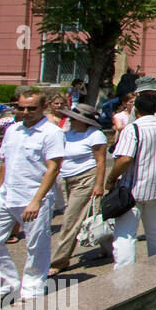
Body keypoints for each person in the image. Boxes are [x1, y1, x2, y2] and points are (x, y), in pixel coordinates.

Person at [0, 88, 65, 303]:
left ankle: (32, 290)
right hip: (6, 194)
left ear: (43, 108)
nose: (25, 112)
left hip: (34, 197)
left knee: (36, 246)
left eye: (31, 108)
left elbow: (53, 168)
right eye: (21, 107)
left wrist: (36, 201)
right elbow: (6, 162)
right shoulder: (13, 130)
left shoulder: (52, 133)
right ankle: (6, 286)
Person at [107, 90, 156, 268]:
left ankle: (124, 271)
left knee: (125, 234)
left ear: (136, 110)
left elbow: (125, 159)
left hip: (133, 189)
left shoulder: (133, 129)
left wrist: (111, 178)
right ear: (155, 109)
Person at [49, 103, 108, 271]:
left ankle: (58, 261)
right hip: (67, 179)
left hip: (86, 179)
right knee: (90, 216)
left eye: (73, 118)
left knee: (71, 220)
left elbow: (101, 161)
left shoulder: (95, 135)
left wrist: (99, 184)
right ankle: (110, 246)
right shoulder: (69, 134)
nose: (70, 120)